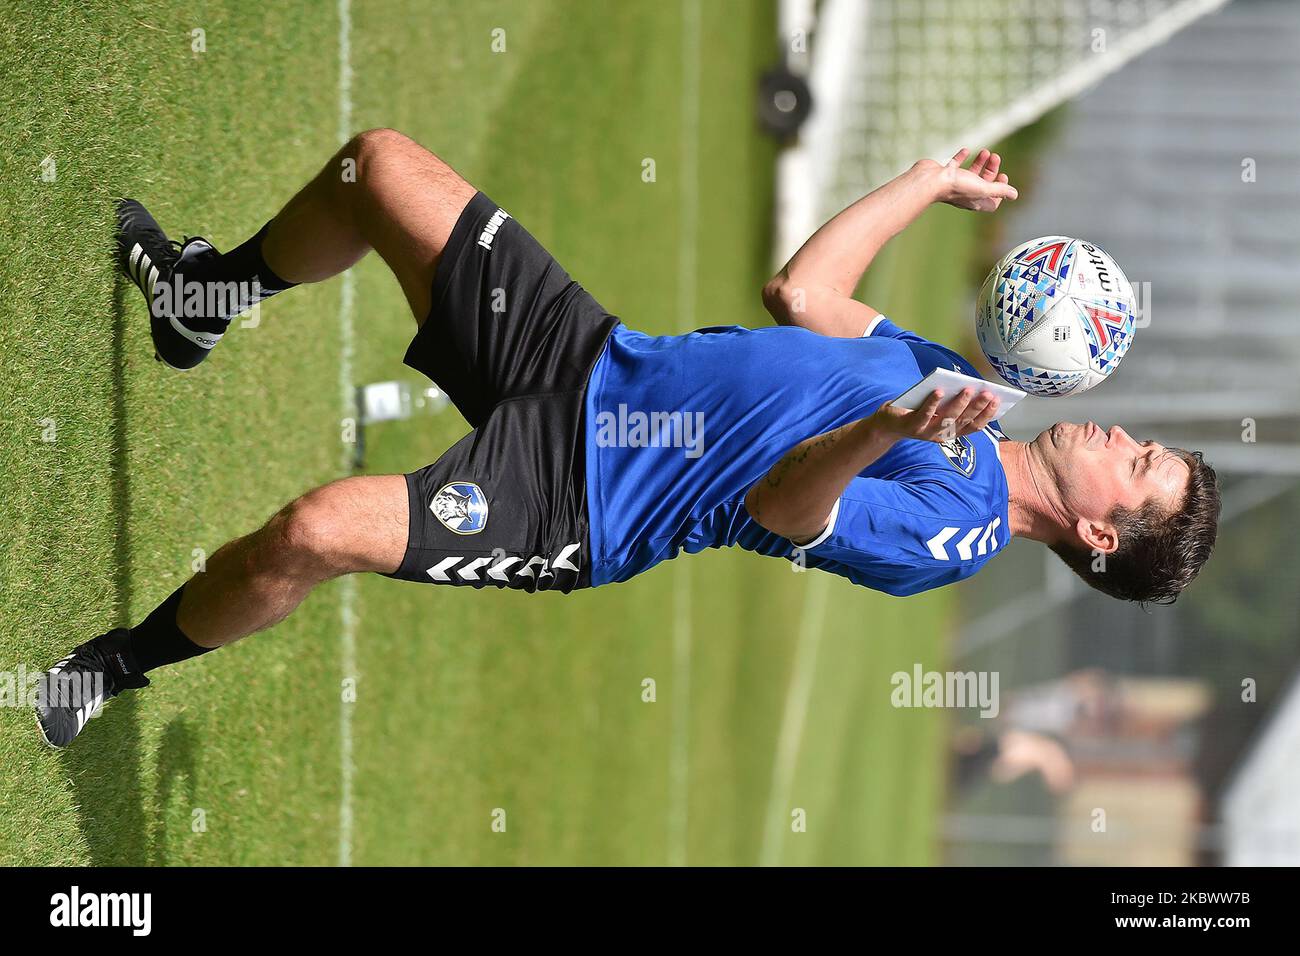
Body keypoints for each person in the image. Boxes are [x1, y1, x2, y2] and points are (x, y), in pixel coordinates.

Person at [37, 131, 1219, 747]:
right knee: (376, 168)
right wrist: (922, 183)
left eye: (1140, 462)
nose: (1123, 434)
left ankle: (112, 665)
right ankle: (206, 299)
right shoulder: (951, 387)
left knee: (311, 530)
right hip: (589, 359)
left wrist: (881, 424)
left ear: (1101, 528)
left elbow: (780, 512)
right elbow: (802, 290)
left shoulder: (953, 532)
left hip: (580, 500)